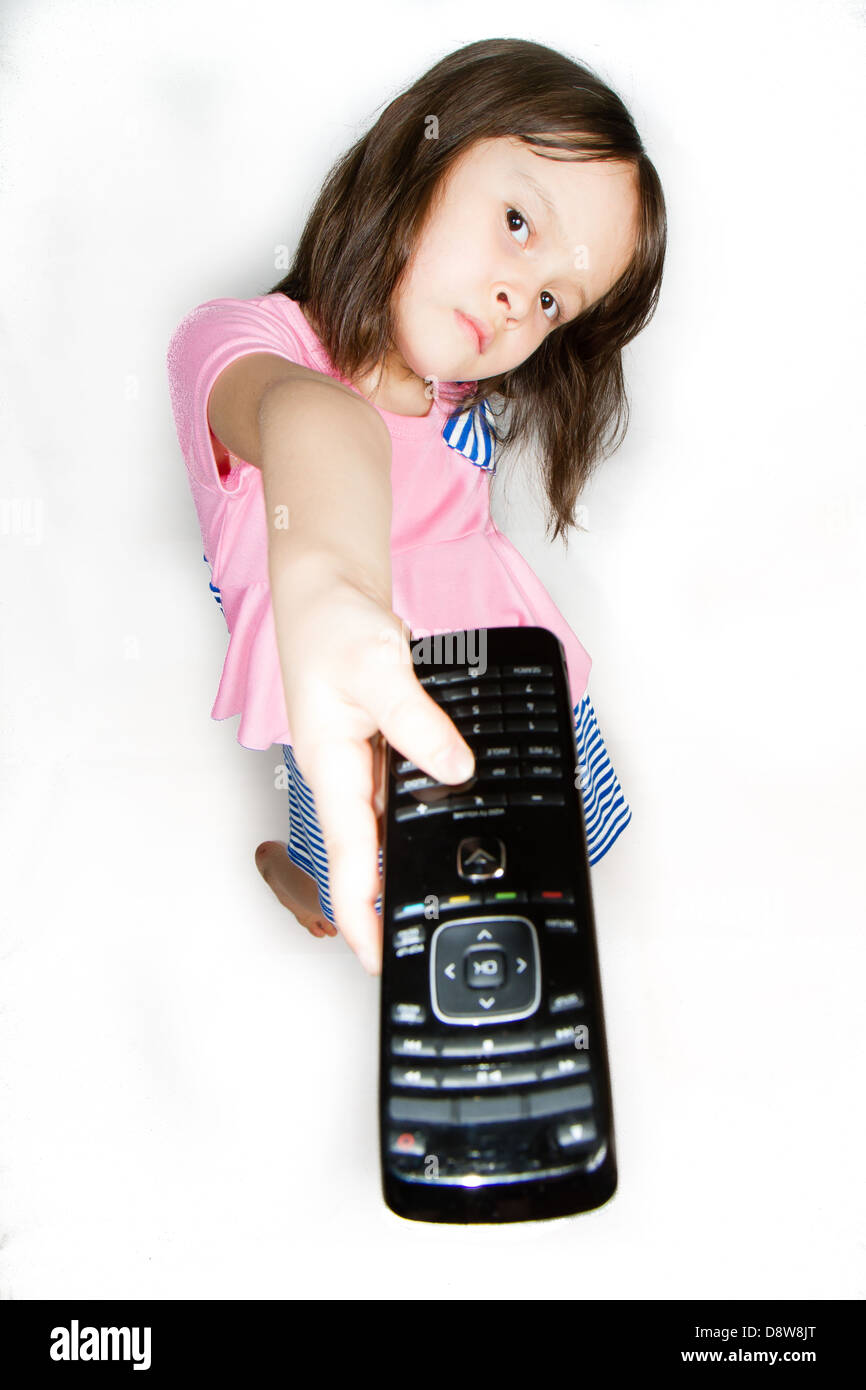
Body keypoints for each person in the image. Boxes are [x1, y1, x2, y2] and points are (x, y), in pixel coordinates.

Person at [165, 38, 667, 978]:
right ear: (420, 155)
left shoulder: (456, 387)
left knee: (561, 825)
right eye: (518, 221)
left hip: (497, 649)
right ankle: (307, 883)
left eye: (558, 301)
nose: (524, 299)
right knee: (366, 853)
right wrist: (329, 584)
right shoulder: (241, 343)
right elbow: (315, 420)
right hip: (353, 664)